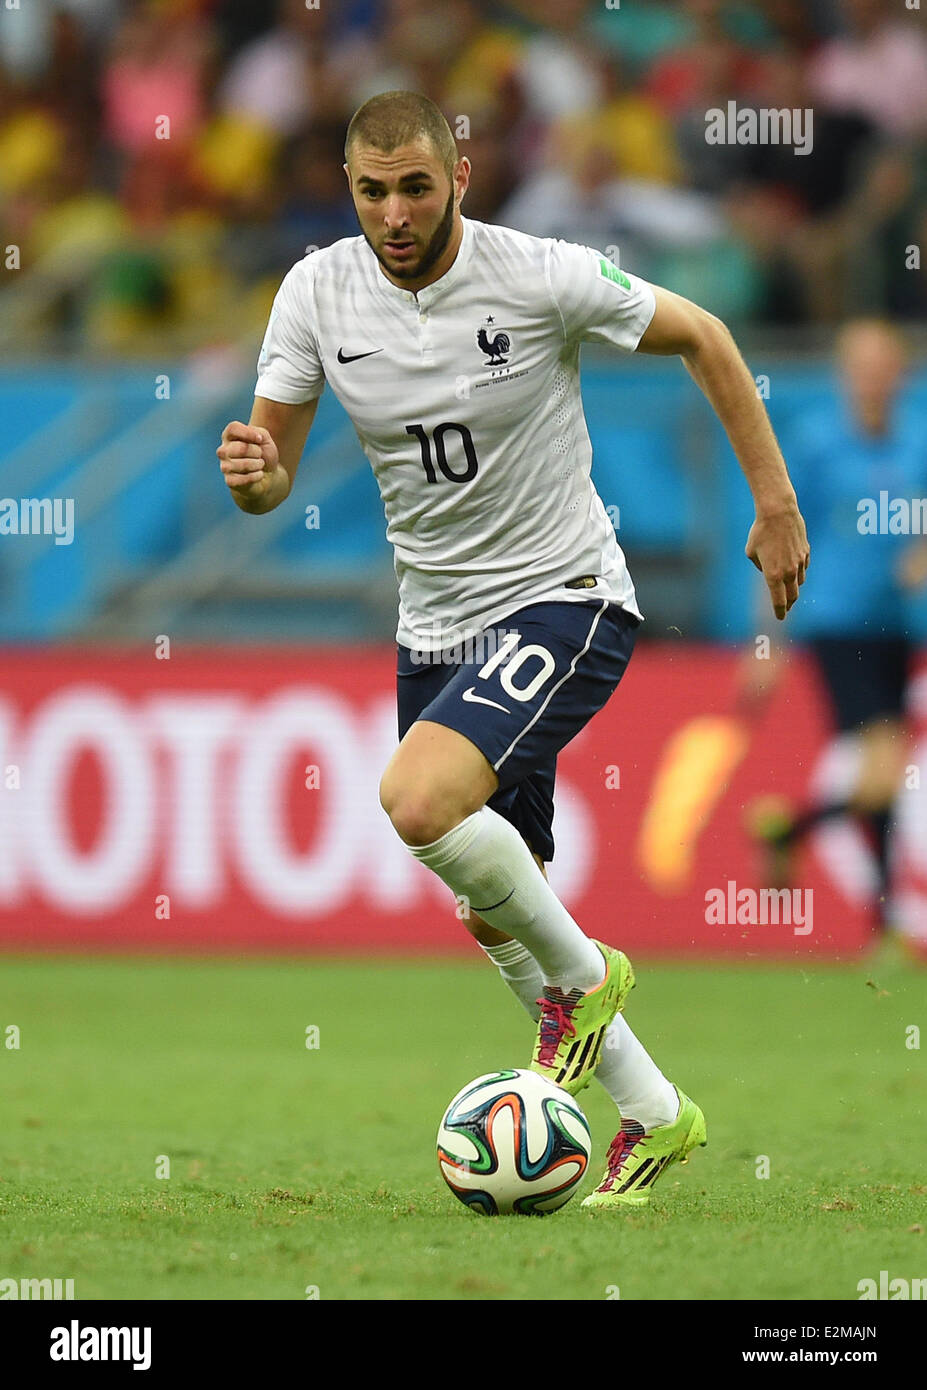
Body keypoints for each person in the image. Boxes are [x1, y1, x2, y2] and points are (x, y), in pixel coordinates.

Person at [217, 90, 809, 1209]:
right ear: (349, 189)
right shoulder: (314, 291)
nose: (394, 214)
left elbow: (707, 336)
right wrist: (256, 478)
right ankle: (655, 1112)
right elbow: (273, 475)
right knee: (497, 903)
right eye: (372, 192)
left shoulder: (537, 274)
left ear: (460, 177)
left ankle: (587, 981)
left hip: (563, 597)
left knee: (417, 800)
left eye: (415, 187)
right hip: (434, 627)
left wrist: (773, 502)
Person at [749, 318, 927, 938]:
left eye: (884, 366)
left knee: (883, 776)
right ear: (844, 375)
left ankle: (877, 916)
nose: (874, 379)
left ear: (901, 373)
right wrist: (768, 640)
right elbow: (776, 538)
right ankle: (796, 838)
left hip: (897, 628)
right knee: (885, 766)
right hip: (838, 623)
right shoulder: (817, 443)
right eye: (862, 367)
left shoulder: (918, 441)